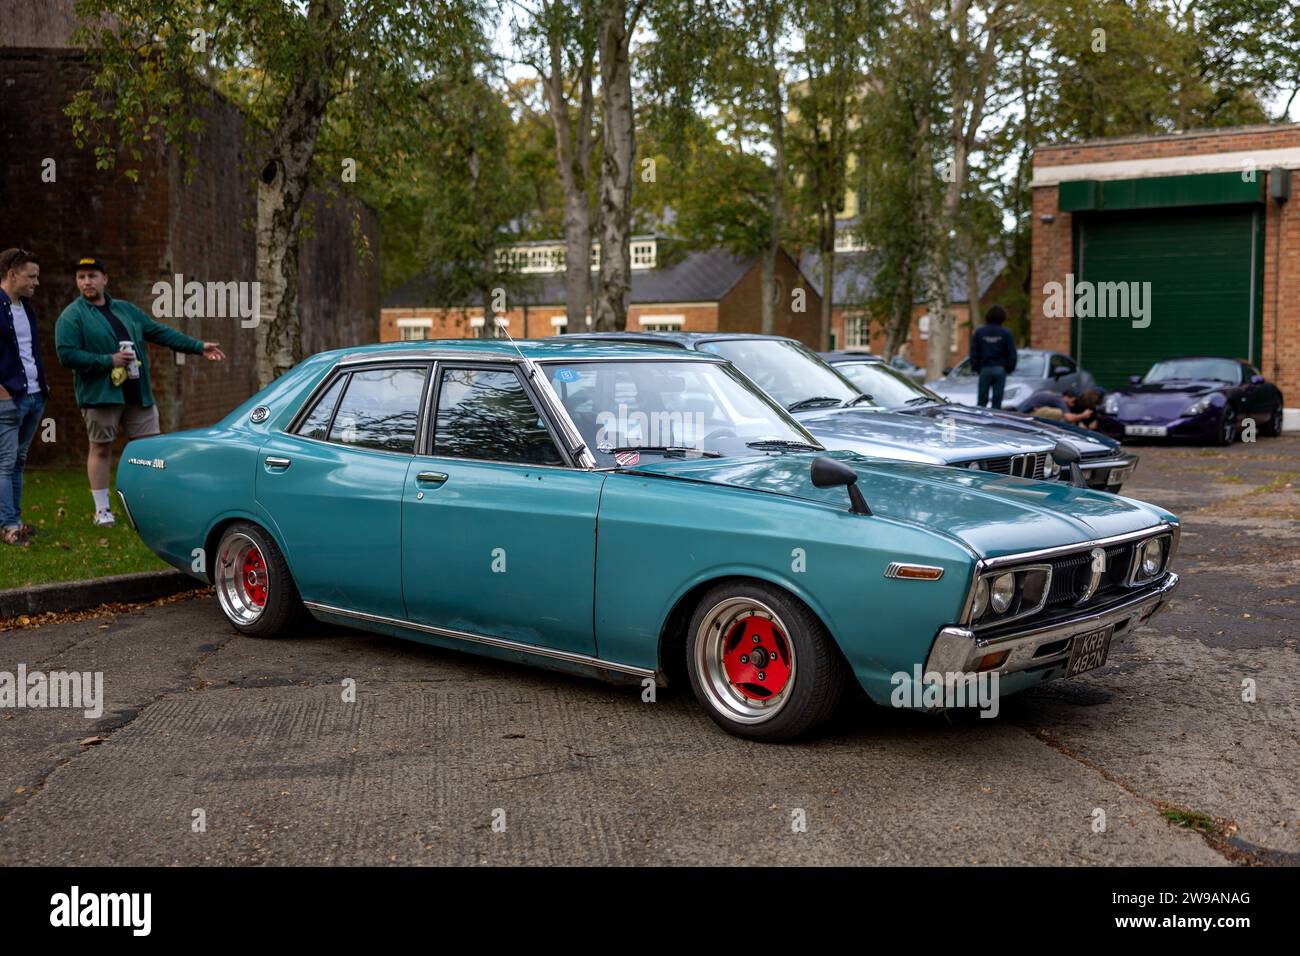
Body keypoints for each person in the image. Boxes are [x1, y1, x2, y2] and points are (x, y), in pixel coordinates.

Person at [54, 257, 226, 527]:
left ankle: (151, 505)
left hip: (138, 394)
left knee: (151, 451)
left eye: (92, 276)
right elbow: (67, 355)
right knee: (100, 449)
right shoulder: (72, 316)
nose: (87, 281)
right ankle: (102, 510)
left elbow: (160, 333)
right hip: (101, 396)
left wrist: (198, 346)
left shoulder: (126, 310)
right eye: (81, 277)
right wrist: (108, 360)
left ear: (105, 279)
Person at [0, 249, 52, 546]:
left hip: (34, 396)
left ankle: (15, 520)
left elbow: (29, 351)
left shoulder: (26, 308)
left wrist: (42, 386)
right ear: (12, 273)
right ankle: (8, 526)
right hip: (9, 399)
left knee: (18, 462)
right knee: (5, 463)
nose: (36, 282)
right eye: (31, 276)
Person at [969, 304, 1017, 409]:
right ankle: (994, 422)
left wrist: (976, 367)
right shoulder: (1006, 333)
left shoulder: (979, 332)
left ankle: (980, 421)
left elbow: (974, 352)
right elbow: (1012, 354)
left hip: (984, 369)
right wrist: (1008, 368)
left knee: (981, 401)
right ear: (1003, 317)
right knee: (997, 401)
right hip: (1000, 370)